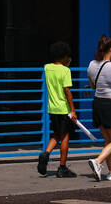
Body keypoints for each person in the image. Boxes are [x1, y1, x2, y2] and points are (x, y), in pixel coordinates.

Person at [85, 34, 111, 181]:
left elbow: (93, 86)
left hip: (98, 103)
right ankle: (97, 161)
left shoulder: (91, 65)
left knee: (108, 141)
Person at [36, 41, 77, 177]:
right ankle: (62, 167)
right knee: (65, 137)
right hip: (63, 109)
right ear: (65, 56)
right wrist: (73, 110)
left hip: (52, 108)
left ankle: (45, 154)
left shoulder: (47, 68)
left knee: (57, 134)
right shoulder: (66, 71)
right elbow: (67, 91)